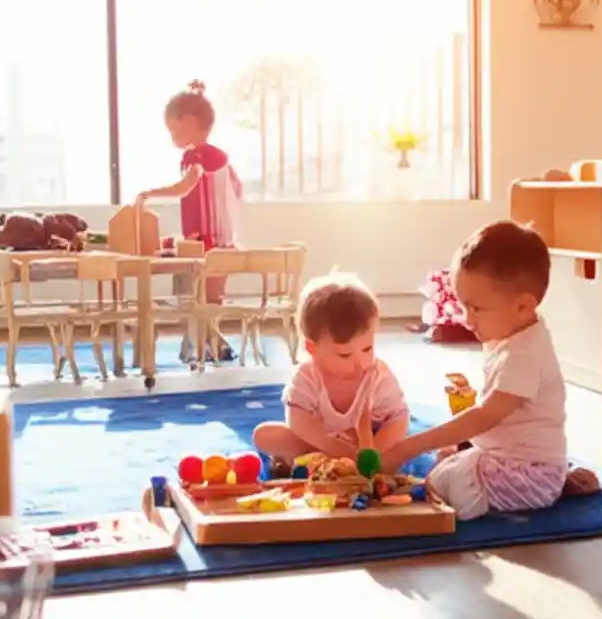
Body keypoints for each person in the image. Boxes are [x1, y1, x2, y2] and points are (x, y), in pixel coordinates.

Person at [378, 221, 572, 520]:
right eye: (463, 306)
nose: (466, 319)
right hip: (510, 459)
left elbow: (483, 417)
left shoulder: (523, 355)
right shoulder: (512, 335)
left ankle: (553, 483)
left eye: (476, 308)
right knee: (447, 461)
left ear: (523, 307)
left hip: (532, 476)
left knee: (447, 479)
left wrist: (407, 447)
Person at [135, 80, 243, 360]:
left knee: (198, 299)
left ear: (190, 121)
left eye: (174, 130)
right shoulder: (222, 158)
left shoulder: (196, 155)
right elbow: (236, 191)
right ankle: (209, 345)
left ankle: (205, 345)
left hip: (206, 243)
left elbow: (186, 185)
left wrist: (150, 193)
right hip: (224, 239)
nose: (172, 138)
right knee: (211, 299)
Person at [253, 272, 410, 460]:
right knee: (264, 435)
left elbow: (398, 418)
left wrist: (373, 452)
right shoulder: (307, 375)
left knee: (404, 441)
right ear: (313, 349)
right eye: (344, 355)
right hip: (322, 441)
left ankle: (334, 459)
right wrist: (337, 449)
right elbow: (299, 421)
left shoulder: (378, 376)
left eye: (367, 348)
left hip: (367, 441)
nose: (360, 363)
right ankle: (320, 457)